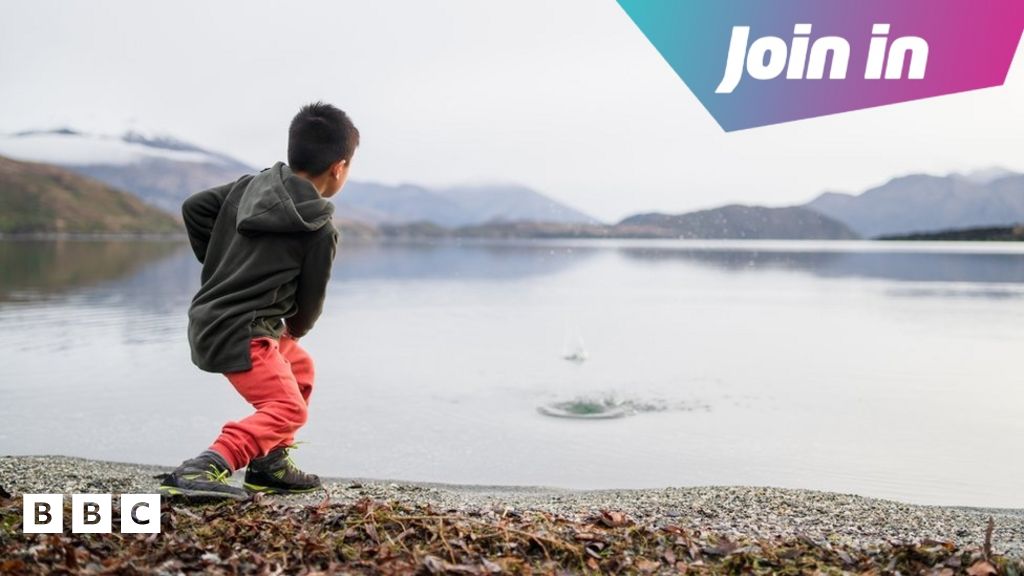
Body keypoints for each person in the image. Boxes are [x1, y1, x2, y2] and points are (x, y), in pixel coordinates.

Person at [159, 102, 358, 499]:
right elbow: (310, 302)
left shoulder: (250, 187)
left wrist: (221, 267)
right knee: (289, 408)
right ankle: (208, 465)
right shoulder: (318, 227)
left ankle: (270, 463)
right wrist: (296, 329)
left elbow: (195, 209)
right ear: (339, 167)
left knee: (298, 367)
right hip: (242, 332)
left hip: (213, 320)